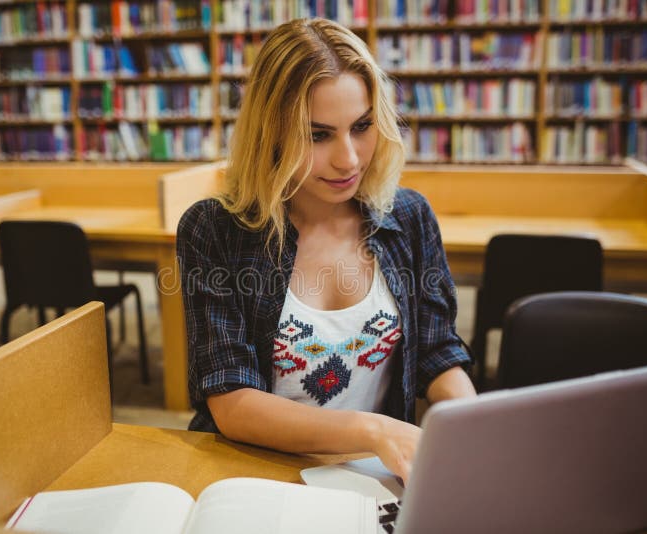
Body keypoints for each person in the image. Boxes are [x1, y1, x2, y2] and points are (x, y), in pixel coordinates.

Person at [176, 17, 475, 483]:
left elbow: (437, 352)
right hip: (257, 478)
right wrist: (372, 430)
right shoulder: (215, 230)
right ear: (270, 133)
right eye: (318, 135)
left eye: (362, 127)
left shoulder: (410, 216)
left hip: (379, 479)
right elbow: (231, 399)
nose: (349, 159)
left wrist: (477, 427)